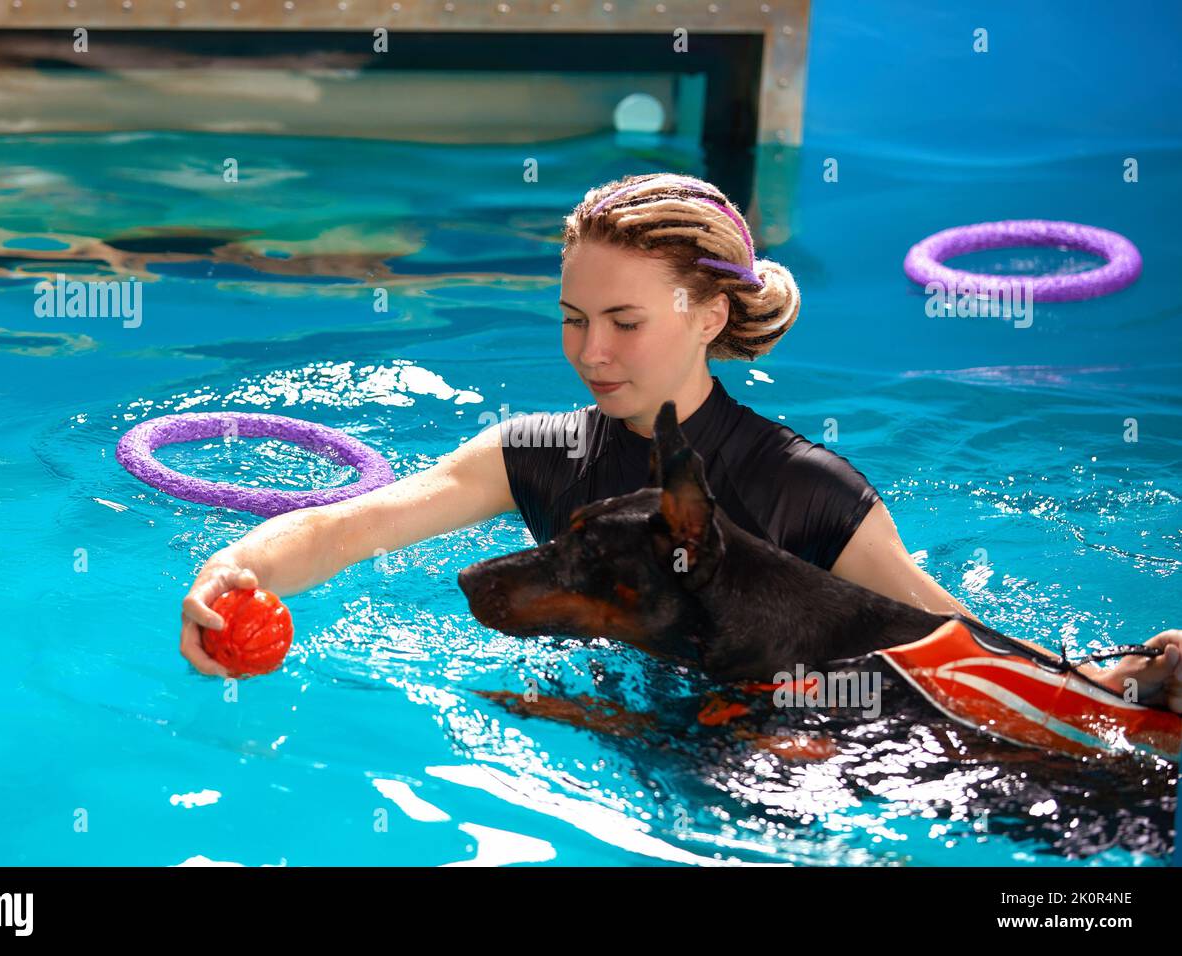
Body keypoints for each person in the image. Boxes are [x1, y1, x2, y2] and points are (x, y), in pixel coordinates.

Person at [179, 172, 1182, 712]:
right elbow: (341, 529)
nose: (590, 350)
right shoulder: (531, 452)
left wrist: (1108, 687)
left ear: (707, 316)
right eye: (572, 318)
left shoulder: (804, 488)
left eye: (624, 319)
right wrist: (229, 575)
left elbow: (960, 654)